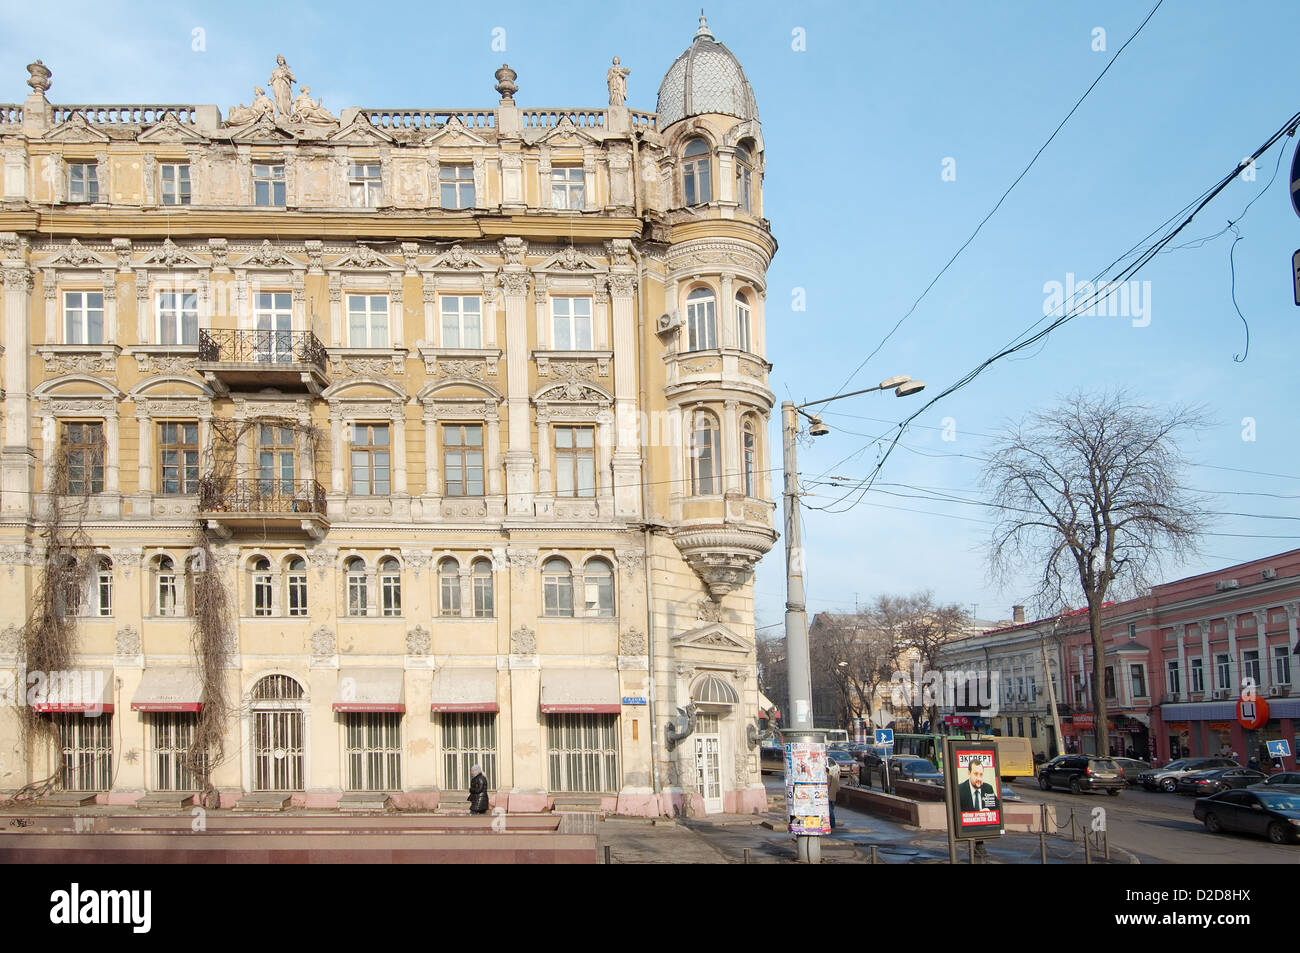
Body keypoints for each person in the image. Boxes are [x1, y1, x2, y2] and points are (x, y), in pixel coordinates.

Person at [827, 761, 840, 830]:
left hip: (827, 797)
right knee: (831, 810)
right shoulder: (834, 778)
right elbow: (838, 789)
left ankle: (832, 824)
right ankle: (832, 823)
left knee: (830, 812)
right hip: (833, 798)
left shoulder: (825, 779)